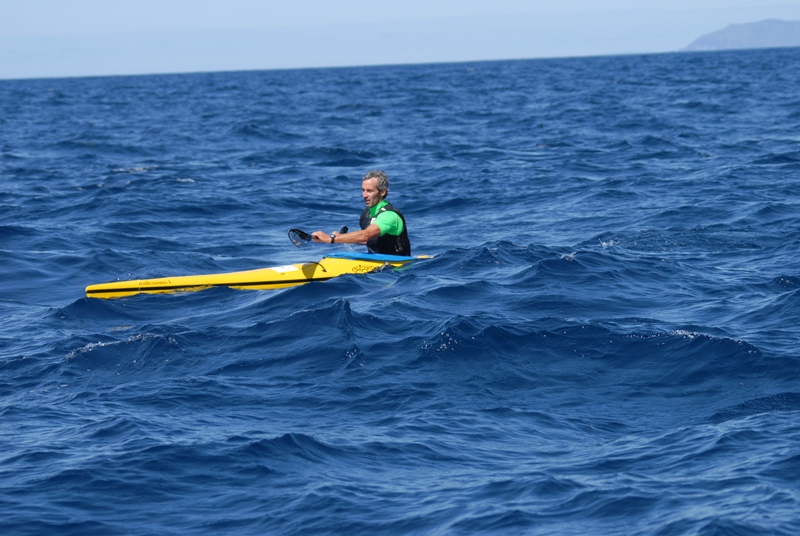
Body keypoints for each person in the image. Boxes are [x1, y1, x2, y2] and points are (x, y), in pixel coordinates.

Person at [312, 170, 411, 256]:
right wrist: (339, 237)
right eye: (363, 190)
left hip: (397, 271)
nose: (364, 195)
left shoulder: (389, 216)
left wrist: (332, 239)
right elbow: (366, 240)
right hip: (378, 268)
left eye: (369, 191)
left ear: (382, 192)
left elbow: (365, 235)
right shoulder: (366, 214)